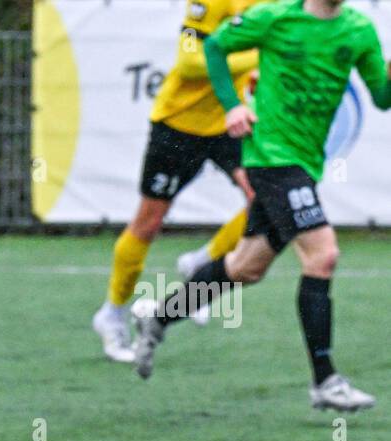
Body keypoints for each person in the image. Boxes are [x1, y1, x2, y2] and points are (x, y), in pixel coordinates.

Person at [131, 0, 390, 412]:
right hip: (271, 158)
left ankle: (159, 317)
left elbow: (382, 98)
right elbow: (213, 48)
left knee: (243, 268)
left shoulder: (359, 30)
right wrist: (232, 106)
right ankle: (325, 381)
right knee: (323, 256)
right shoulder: (275, 17)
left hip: (304, 162)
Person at [93, 0, 266, 362]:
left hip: (227, 121)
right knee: (148, 222)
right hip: (179, 126)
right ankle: (112, 314)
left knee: (263, 199)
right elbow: (189, 63)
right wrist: (254, 55)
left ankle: (202, 263)